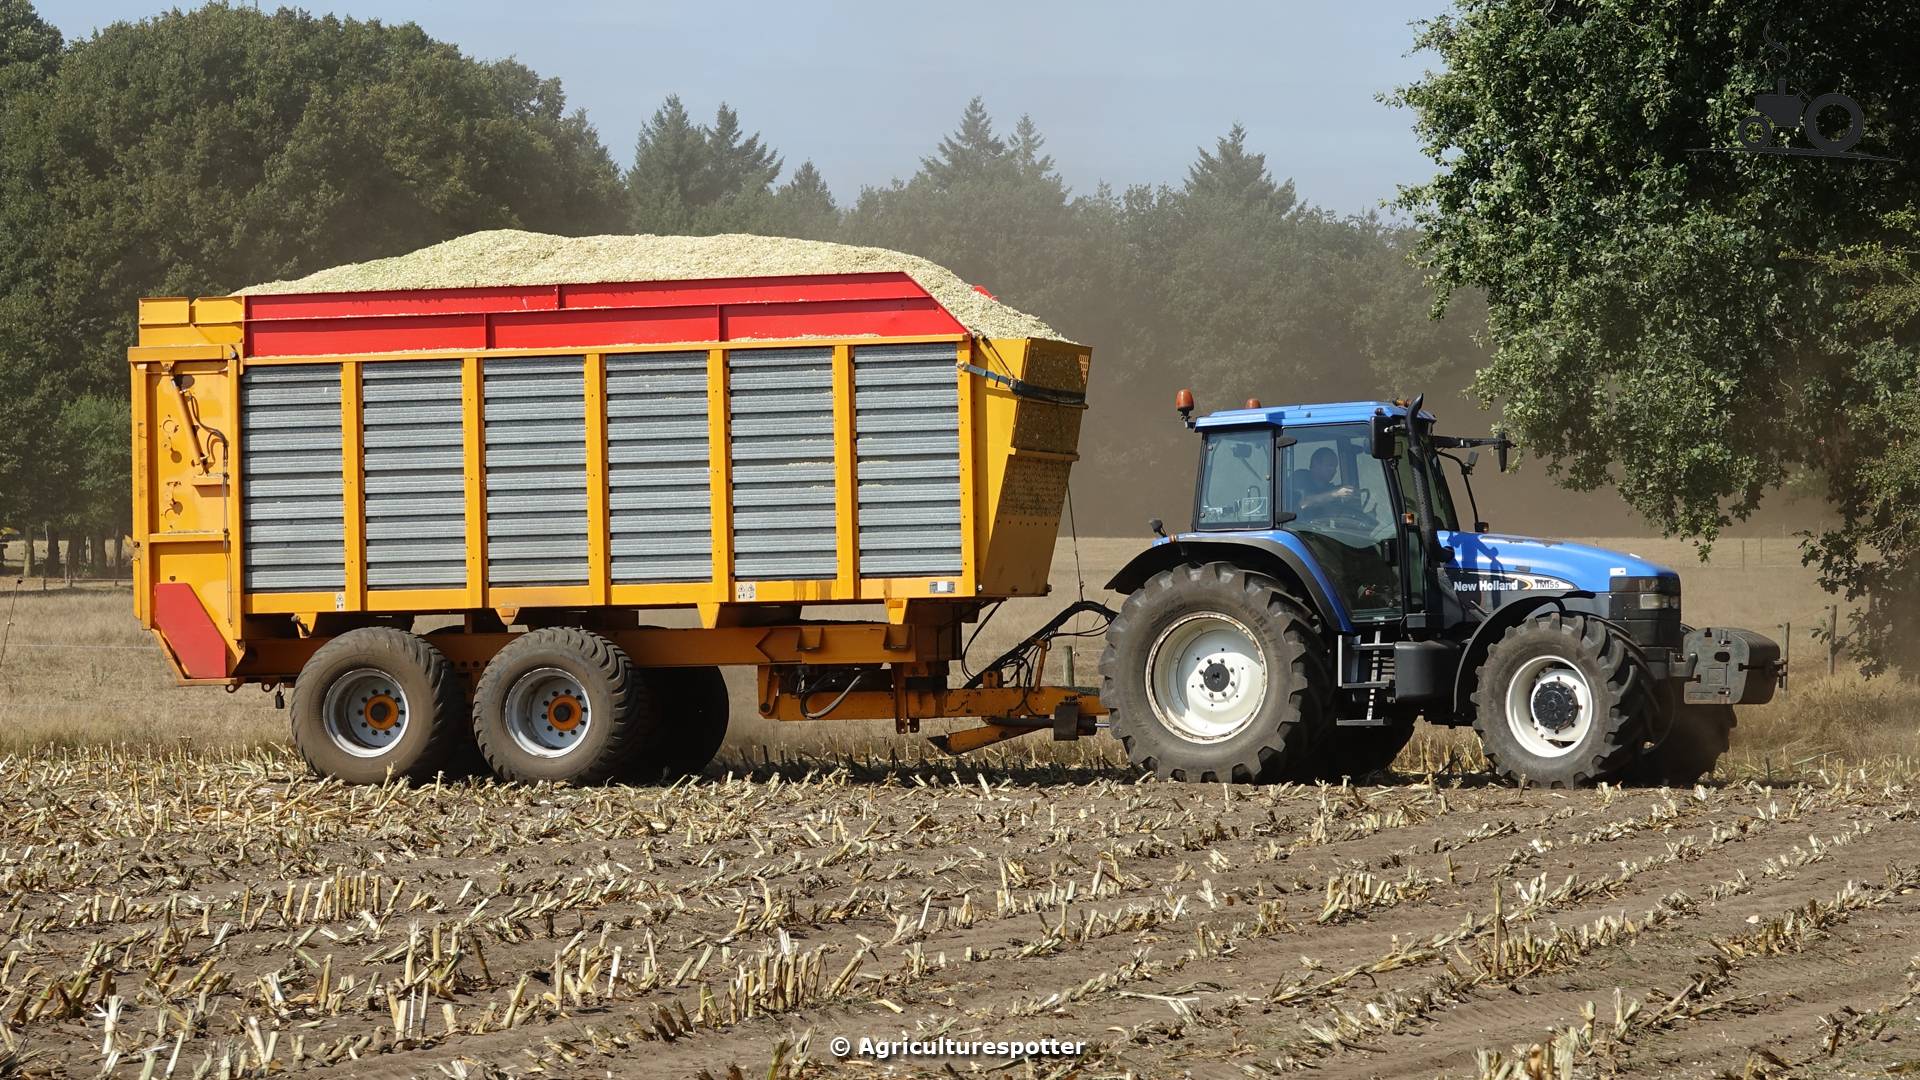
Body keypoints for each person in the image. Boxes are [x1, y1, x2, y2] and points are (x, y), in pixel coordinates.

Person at [1292, 448, 1356, 514]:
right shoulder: (1300, 477)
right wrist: (1335, 494)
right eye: (1330, 466)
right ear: (1316, 464)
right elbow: (1304, 503)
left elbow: (1334, 514)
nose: (1334, 470)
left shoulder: (1329, 488)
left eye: (1335, 467)